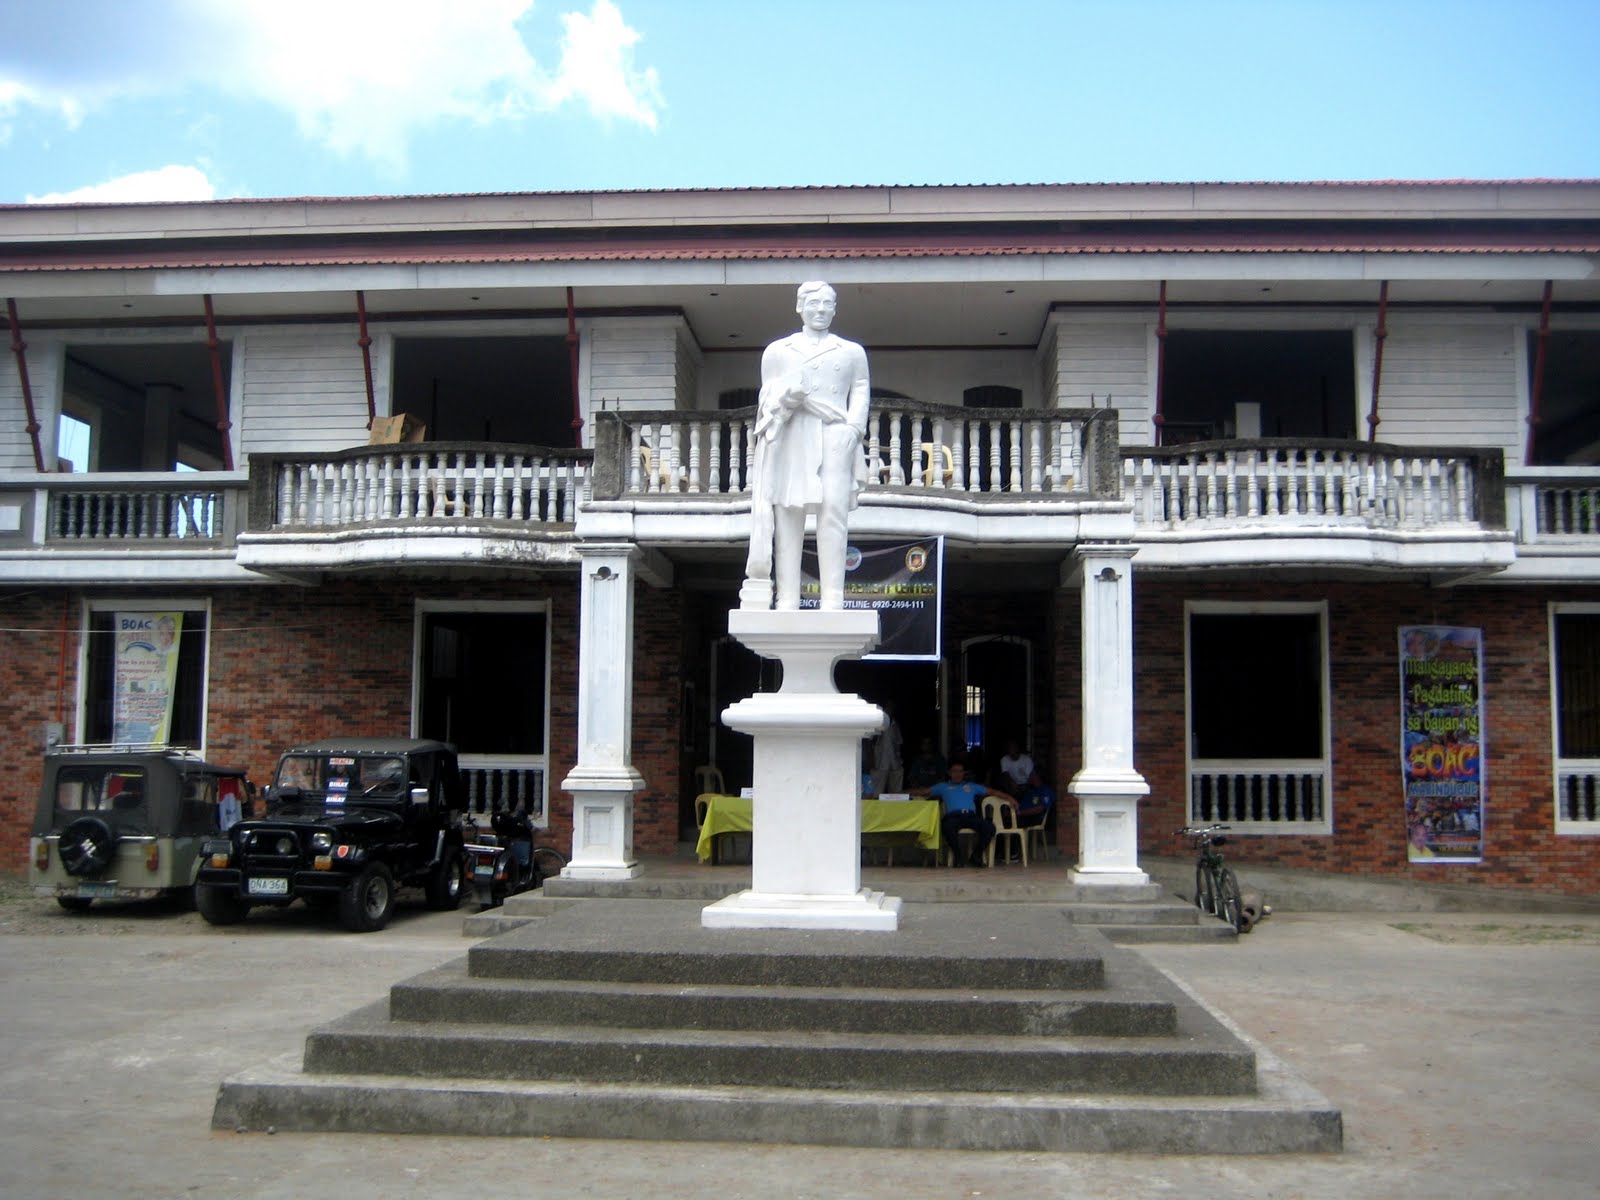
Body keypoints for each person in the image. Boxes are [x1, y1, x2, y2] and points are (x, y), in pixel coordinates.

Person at [742, 281, 871, 612]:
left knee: (833, 512)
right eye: (814, 303)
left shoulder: (851, 351)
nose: (821, 310)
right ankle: (787, 597)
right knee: (789, 512)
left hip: (836, 433)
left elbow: (860, 388)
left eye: (828, 303)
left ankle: (833, 597)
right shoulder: (778, 350)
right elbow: (766, 395)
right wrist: (788, 397)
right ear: (800, 307)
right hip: (793, 434)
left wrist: (853, 430)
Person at [930, 761, 1008, 867]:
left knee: (989, 827)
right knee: (947, 827)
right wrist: (901, 793)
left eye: (961, 771)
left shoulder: (971, 786)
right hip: (953, 817)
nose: (958, 774)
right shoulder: (943, 786)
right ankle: (958, 857)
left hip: (970, 816)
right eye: (955, 771)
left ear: (964, 773)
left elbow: (992, 792)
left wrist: (1010, 799)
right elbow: (923, 792)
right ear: (949, 773)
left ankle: (976, 855)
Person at [871, 702, 904, 795]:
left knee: (896, 794)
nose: (889, 710)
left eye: (891, 708)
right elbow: (870, 743)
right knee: (877, 792)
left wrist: (900, 761)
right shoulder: (876, 724)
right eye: (887, 708)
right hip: (879, 763)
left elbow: (899, 743)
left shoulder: (895, 725)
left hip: (895, 763)